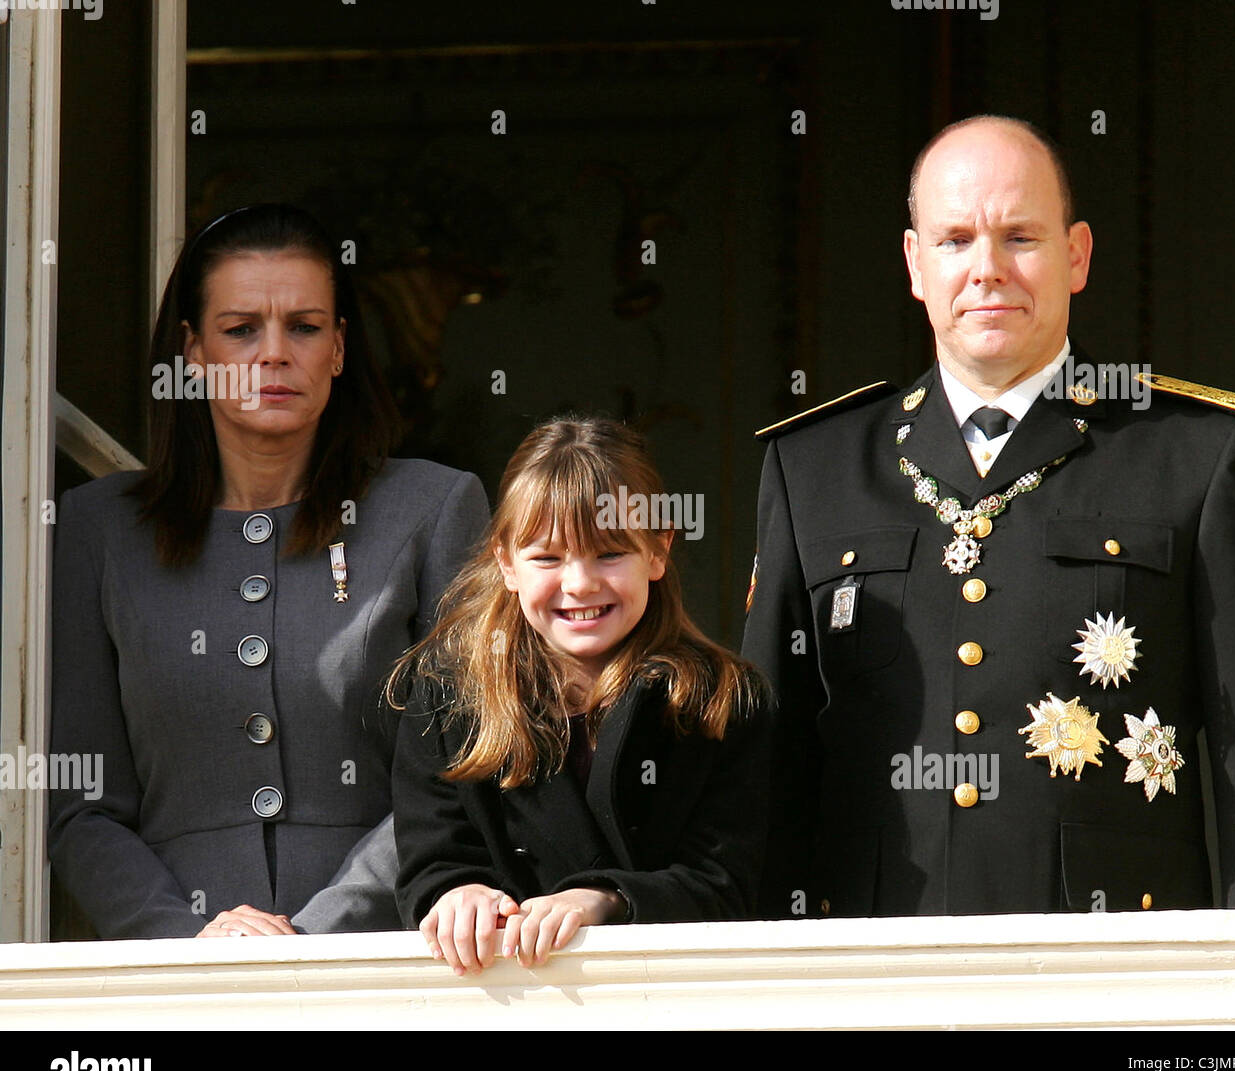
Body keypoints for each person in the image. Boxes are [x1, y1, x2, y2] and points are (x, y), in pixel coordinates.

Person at [743, 116, 1235, 919]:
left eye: (1020, 237)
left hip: (1109, 973)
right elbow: (768, 769)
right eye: (956, 239)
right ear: (914, 264)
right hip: (872, 973)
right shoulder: (814, 468)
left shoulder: (1199, 456)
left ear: (1076, 255)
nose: (987, 270)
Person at [48, 203, 489, 938]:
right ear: (193, 351)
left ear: (340, 348)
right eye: (241, 328)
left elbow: (457, 769)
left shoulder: (435, 506)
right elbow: (80, 805)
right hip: (170, 981)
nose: (273, 353)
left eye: (305, 327)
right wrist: (187, 940)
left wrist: (314, 939)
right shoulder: (98, 530)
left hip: (386, 964)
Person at [390, 417, 770, 973]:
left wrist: (607, 899)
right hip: (508, 1002)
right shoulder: (448, 694)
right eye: (547, 558)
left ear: (659, 550)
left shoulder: (723, 701)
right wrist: (456, 894)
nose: (580, 584)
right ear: (506, 563)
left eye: (610, 553)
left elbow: (729, 883)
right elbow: (435, 855)